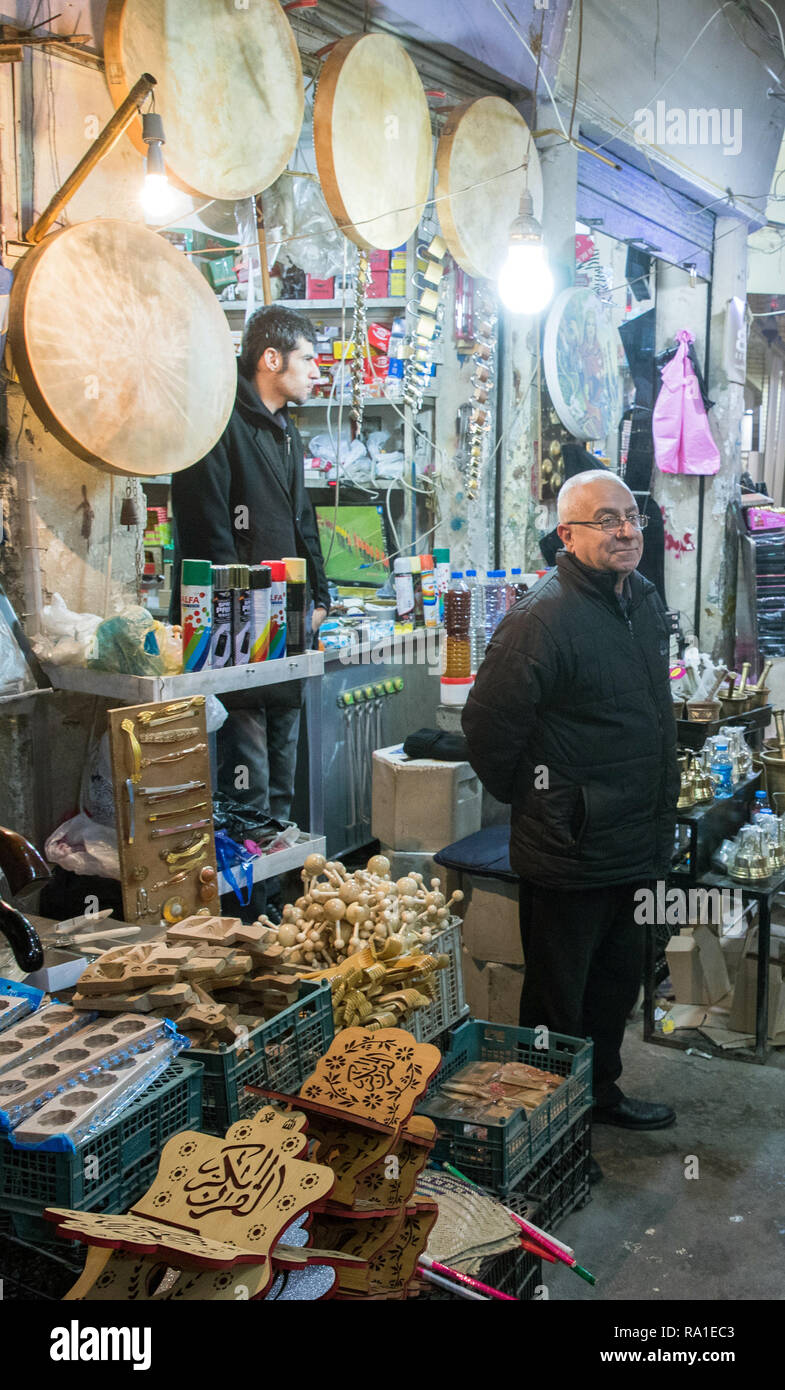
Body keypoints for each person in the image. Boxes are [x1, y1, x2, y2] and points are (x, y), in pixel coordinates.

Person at [462, 471, 679, 1139]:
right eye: (605, 519)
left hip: (637, 839)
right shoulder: (538, 619)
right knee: (558, 1000)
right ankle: (546, 1127)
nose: (624, 530)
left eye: (631, 517)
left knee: (618, 982)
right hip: (570, 848)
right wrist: (545, 802)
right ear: (567, 534)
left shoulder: (641, 599)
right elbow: (488, 732)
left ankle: (600, 1094)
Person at [170, 305, 330, 918]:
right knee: (248, 777)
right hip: (236, 634)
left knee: (282, 779)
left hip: (289, 627)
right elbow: (206, 534)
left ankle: (276, 911)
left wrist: (318, 597)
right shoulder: (216, 422)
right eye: (310, 359)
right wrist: (237, 621)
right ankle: (247, 919)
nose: (318, 373)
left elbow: (301, 520)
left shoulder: (285, 428)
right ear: (271, 359)